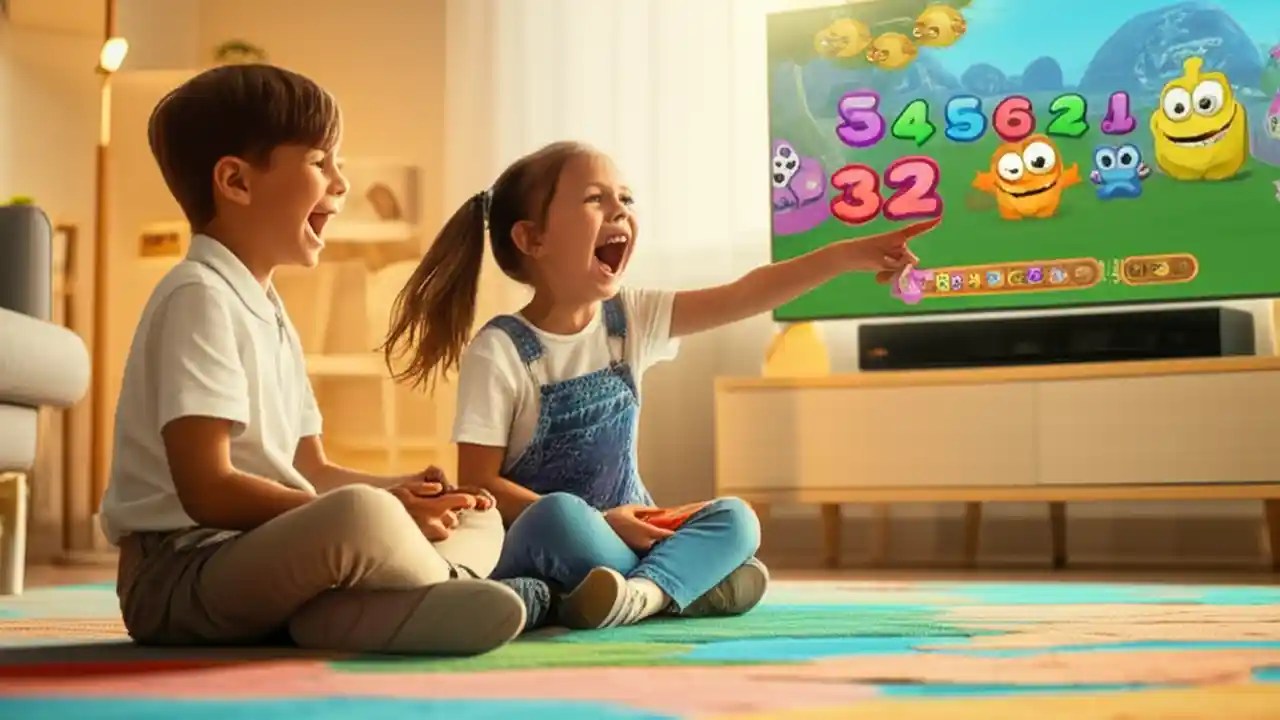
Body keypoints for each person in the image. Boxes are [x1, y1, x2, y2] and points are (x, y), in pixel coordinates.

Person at [381, 140, 940, 629]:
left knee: (737, 518)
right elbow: (480, 485)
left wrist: (845, 256)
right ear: (532, 238)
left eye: (625, 198)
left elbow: (745, 293)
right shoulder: (500, 350)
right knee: (561, 515)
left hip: (631, 530)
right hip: (560, 536)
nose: (619, 209)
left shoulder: (632, 316)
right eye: (594, 198)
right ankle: (675, 588)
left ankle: (628, 597)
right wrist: (602, 523)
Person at [98, 63, 550, 656]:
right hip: (182, 576)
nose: (341, 184)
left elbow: (309, 467)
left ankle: (354, 613)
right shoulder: (197, 296)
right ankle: (443, 590)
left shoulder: (265, 305)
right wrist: (384, 507)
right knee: (362, 516)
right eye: (319, 162)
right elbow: (207, 491)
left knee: (474, 510)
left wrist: (404, 490)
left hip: (262, 558)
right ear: (235, 181)